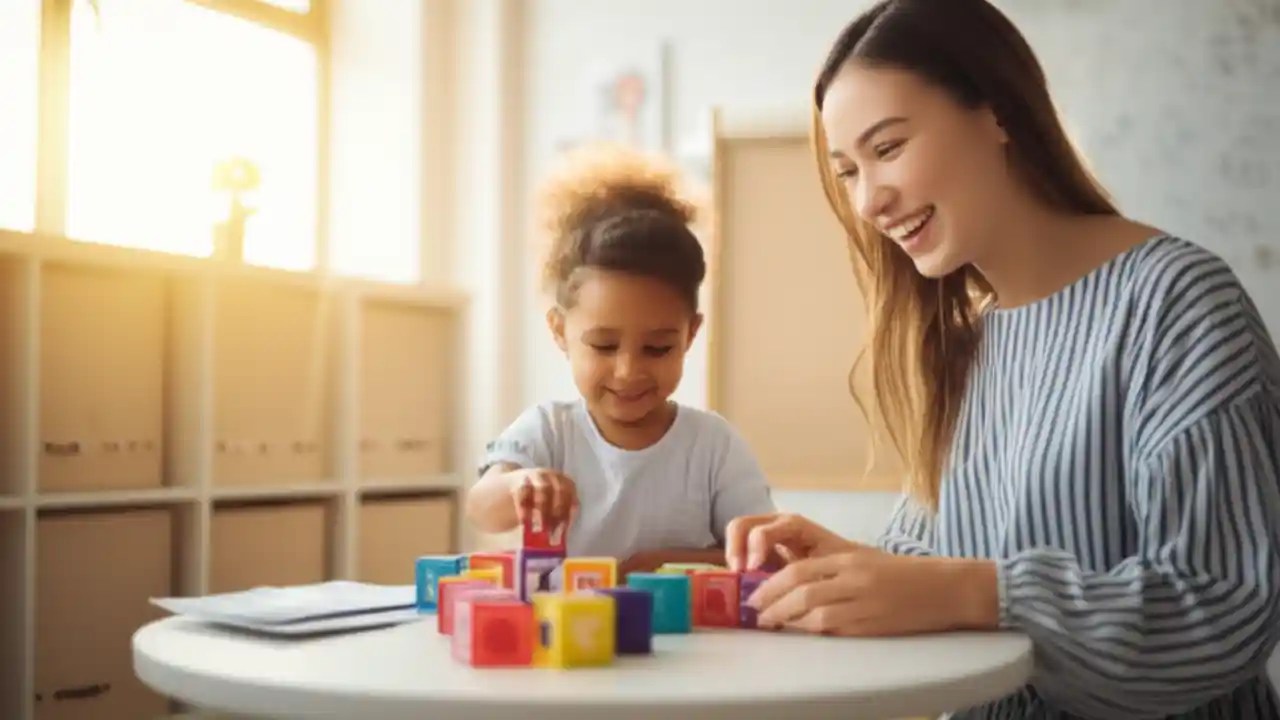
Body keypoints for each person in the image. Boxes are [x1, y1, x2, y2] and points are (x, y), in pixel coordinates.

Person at [723, 1, 1280, 718]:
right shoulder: (968, 340)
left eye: (887, 148)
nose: (869, 201)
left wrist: (967, 592)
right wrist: (849, 570)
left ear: (996, 112)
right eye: (848, 172)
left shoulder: (1175, 303)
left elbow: (1220, 603)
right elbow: (946, 568)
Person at [467, 144, 775, 577]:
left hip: (691, 641)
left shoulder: (713, 446)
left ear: (690, 334)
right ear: (559, 331)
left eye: (658, 348)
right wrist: (519, 485)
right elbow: (482, 508)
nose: (629, 371)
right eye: (604, 346)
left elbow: (763, 551)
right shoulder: (550, 432)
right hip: (572, 640)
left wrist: (662, 564)